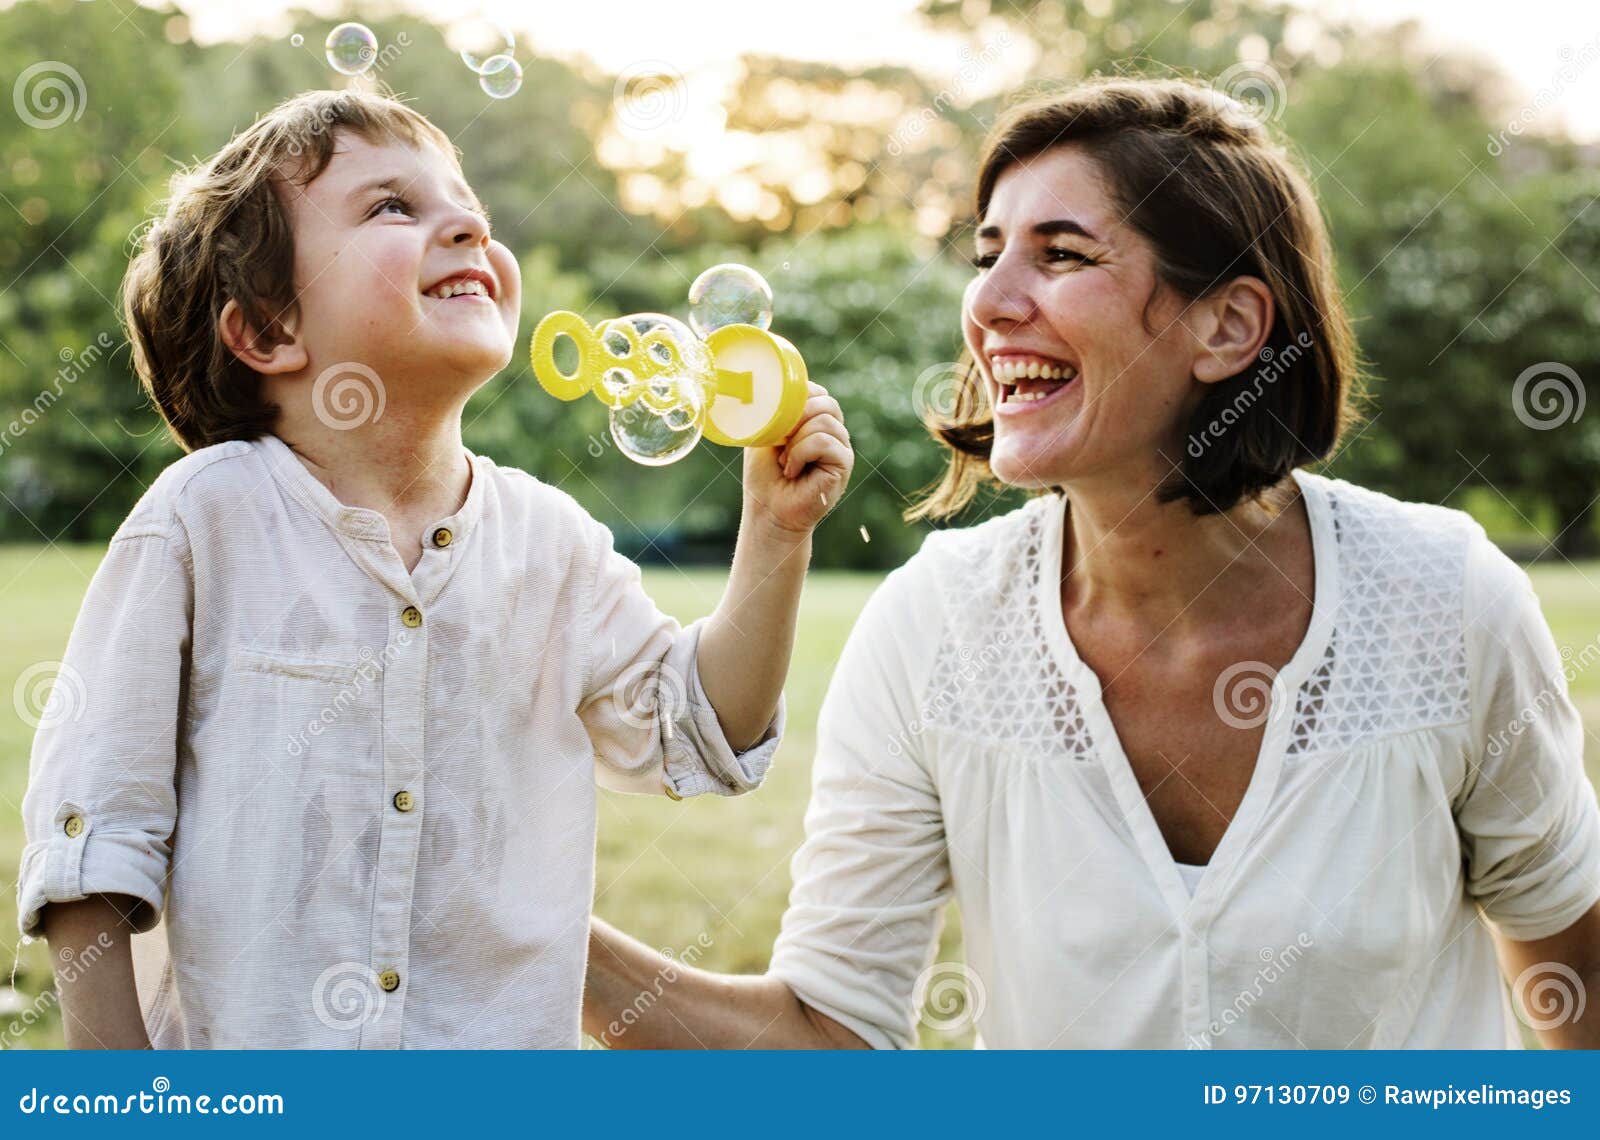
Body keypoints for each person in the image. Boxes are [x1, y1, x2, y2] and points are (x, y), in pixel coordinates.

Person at [584, 77, 1600, 1049]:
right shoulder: (930, 625)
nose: (988, 304)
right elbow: (829, 1042)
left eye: (1061, 256)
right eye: (985, 256)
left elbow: (1575, 988)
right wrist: (512, 919)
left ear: (1230, 327)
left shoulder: (1446, 603)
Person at [18, 88, 853, 1048]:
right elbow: (94, 831)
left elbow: (704, 728)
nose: (465, 226)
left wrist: (776, 531)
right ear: (268, 332)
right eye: (391, 208)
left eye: (470, 211)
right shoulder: (205, 519)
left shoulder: (553, 541)